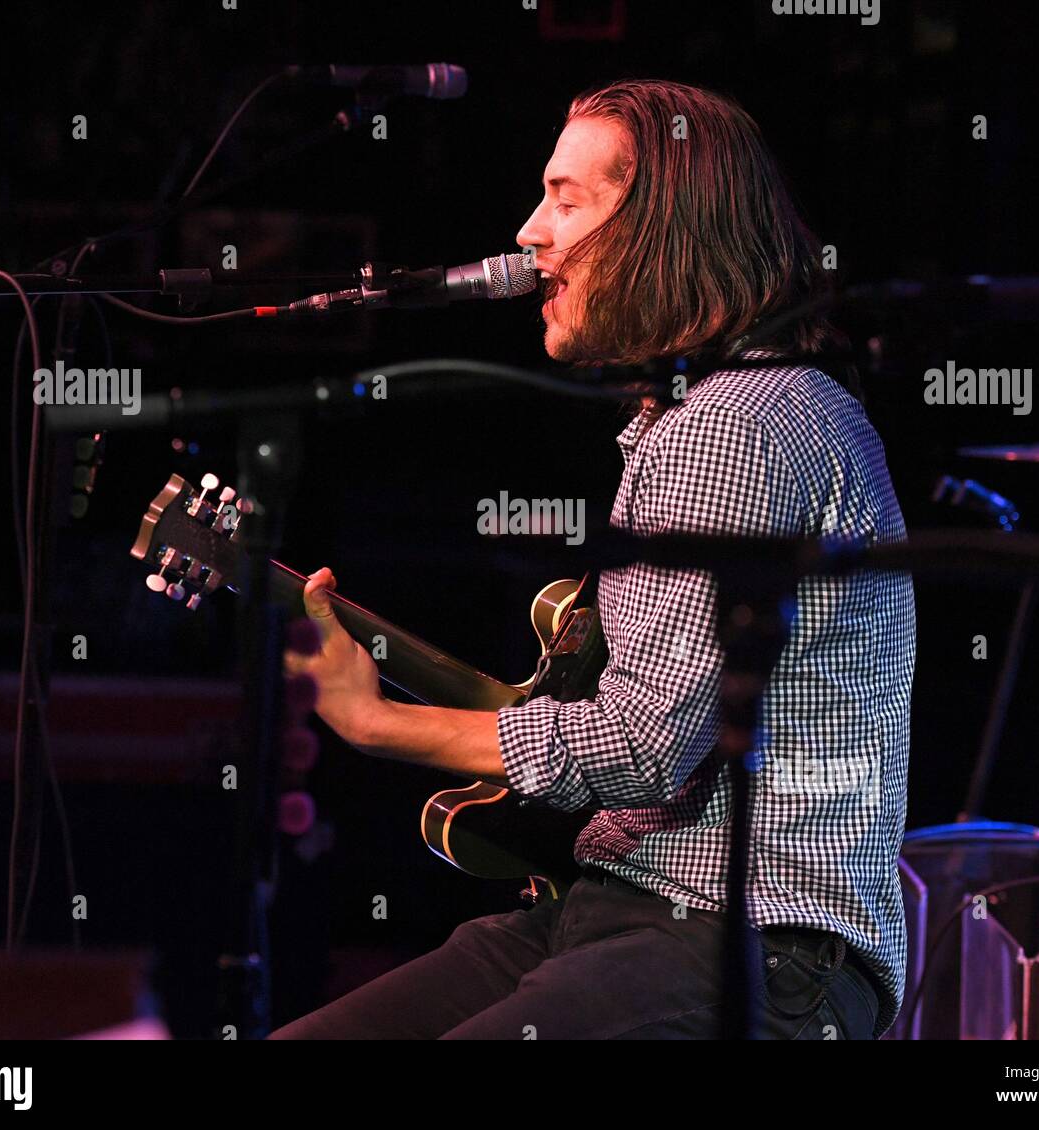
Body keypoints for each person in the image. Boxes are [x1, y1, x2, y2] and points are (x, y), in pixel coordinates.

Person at [269, 78, 915, 1040]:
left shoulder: (739, 427)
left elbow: (644, 747)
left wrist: (375, 723)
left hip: (753, 944)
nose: (530, 231)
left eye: (567, 199)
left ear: (663, 226)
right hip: (615, 911)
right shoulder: (703, 416)